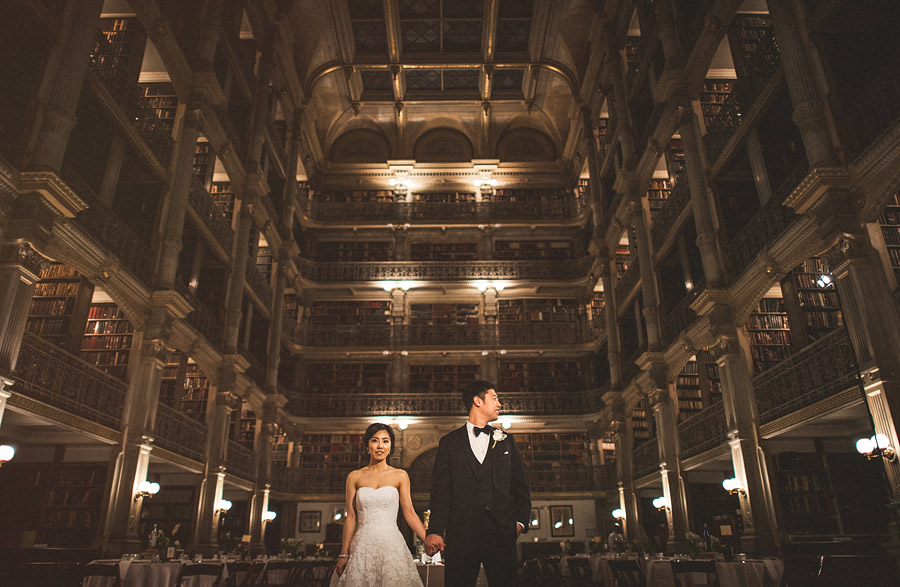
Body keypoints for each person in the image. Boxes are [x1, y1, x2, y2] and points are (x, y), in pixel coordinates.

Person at [425, 380, 532, 587]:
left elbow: (520, 487)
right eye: (495, 398)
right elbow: (441, 492)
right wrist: (435, 529)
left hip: (502, 534)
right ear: (477, 401)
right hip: (461, 535)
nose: (499, 404)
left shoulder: (506, 441)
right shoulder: (449, 443)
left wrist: (520, 523)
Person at [331, 423, 427, 586]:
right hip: (362, 545)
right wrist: (343, 554)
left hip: (391, 544)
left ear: (391, 446)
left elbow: (409, 512)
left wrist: (427, 538)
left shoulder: (400, 476)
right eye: (375, 441)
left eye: (386, 441)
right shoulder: (354, 476)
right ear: (367, 445)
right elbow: (351, 517)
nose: (380, 446)